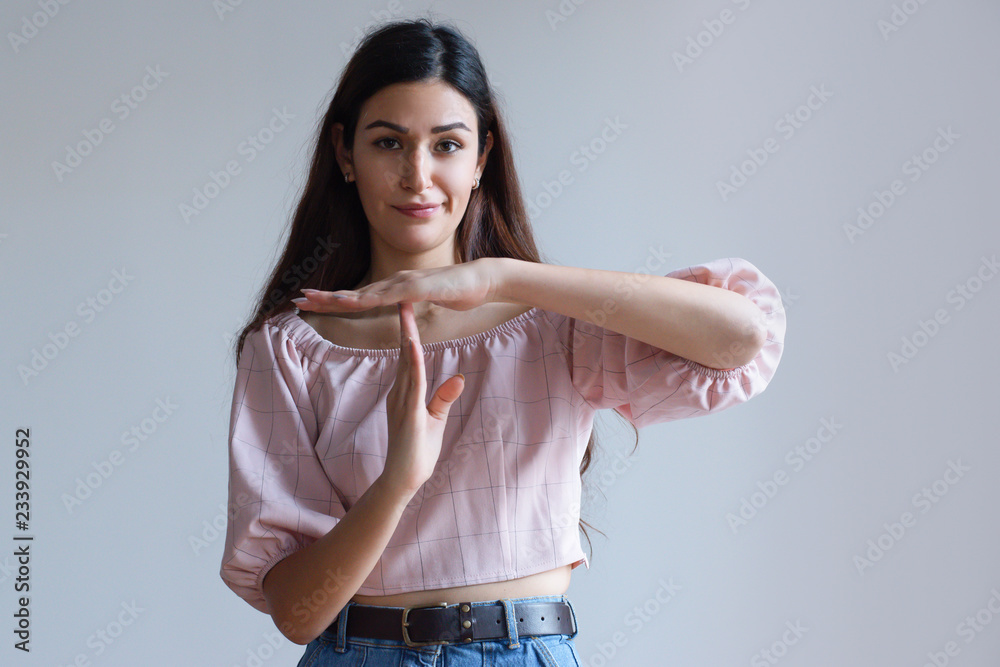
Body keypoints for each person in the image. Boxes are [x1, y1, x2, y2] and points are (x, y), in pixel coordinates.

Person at [219, 17, 786, 667]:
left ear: (482, 158)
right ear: (346, 154)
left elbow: (744, 337)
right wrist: (397, 481)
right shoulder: (291, 350)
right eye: (388, 143)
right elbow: (297, 612)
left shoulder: (550, 324)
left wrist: (504, 276)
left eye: (447, 145)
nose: (418, 175)